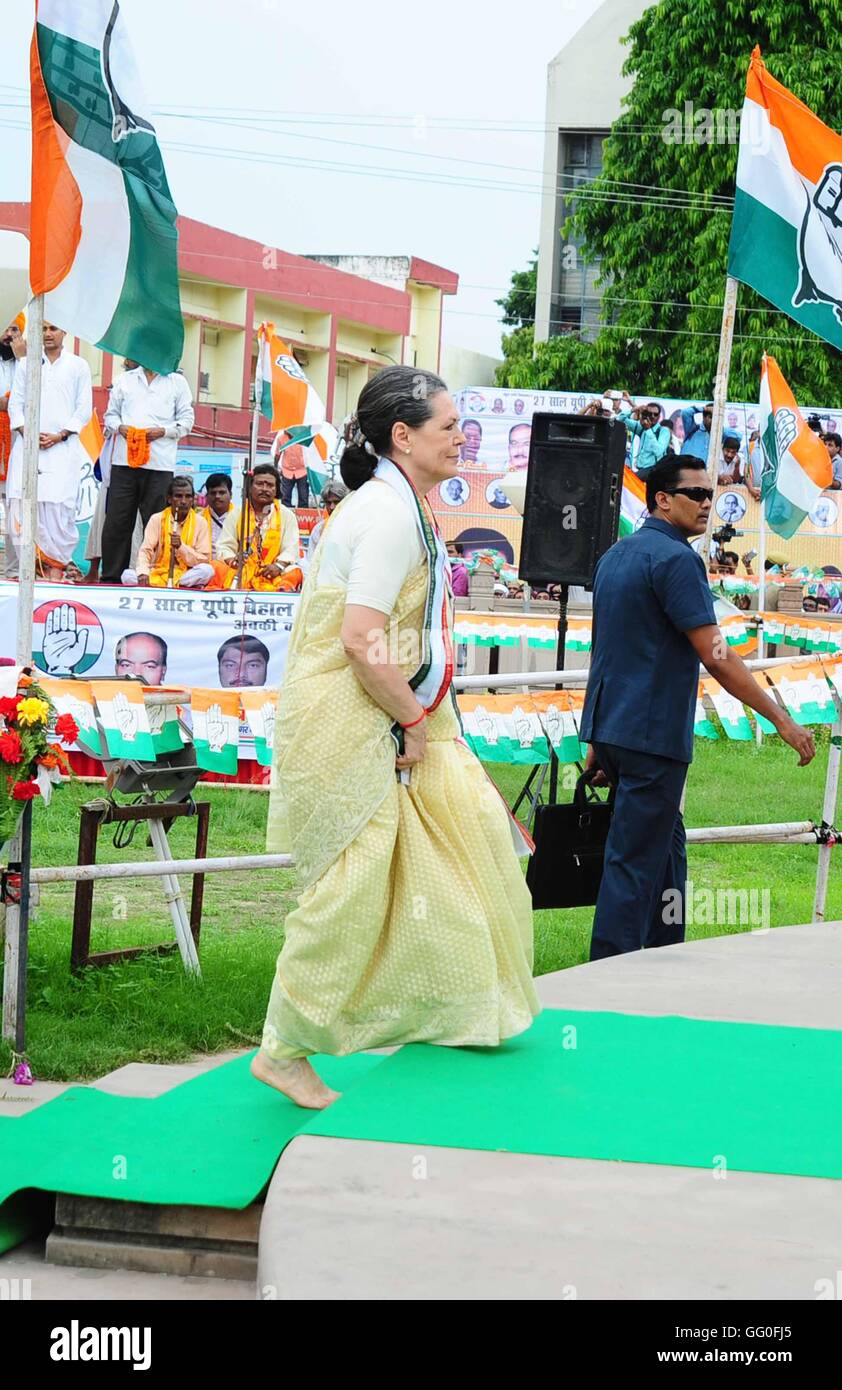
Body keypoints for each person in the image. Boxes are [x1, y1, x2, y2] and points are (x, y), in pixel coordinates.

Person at [250, 365, 539, 1109]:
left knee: (444, 858)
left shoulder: (398, 505)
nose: (461, 441)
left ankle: (455, 1008)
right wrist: (410, 719)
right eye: (448, 428)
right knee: (352, 885)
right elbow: (359, 638)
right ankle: (282, 1048)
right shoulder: (383, 516)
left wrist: (413, 717)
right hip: (354, 719)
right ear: (403, 437)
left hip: (389, 712)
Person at [581, 453, 815, 961]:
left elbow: (605, 652)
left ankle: (667, 958)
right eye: (697, 494)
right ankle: (605, 981)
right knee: (632, 864)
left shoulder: (614, 557)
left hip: (619, 733)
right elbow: (717, 656)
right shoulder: (677, 559)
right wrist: (782, 719)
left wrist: (598, 738)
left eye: (711, 494)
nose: (709, 503)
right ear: (663, 500)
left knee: (666, 849)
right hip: (651, 737)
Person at [6, 321, 93, 581]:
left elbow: (83, 409)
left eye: (53, 328)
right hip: (27, 450)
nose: (47, 334)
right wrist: (28, 433)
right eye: (43, 329)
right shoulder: (26, 364)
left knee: (58, 515)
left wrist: (60, 435)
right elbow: (15, 406)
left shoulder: (79, 366)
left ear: (65, 331)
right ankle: (29, 578)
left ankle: (54, 579)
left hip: (62, 452)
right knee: (22, 509)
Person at [101, 360, 195, 583]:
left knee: (156, 522)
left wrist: (163, 431)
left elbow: (187, 421)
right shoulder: (125, 379)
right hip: (124, 461)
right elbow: (110, 416)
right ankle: (112, 577)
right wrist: (121, 428)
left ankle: (155, 574)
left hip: (159, 464)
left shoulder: (177, 382)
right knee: (117, 520)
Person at [212, 463, 302, 591]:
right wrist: (233, 561)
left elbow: (291, 548)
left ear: (276, 490)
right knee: (216, 566)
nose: (264, 489)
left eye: (270, 485)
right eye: (259, 484)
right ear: (249, 488)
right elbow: (224, 545)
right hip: (241, 570)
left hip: (272, 572)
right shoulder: (237, 514)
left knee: (294, 572)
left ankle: (278, 599)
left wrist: (279, 566)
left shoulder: (287, 515)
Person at [123, 475, 212, 588]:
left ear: (192, 499)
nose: (183, 501)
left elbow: (204, 559)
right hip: (158, 571)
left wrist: (181, 547)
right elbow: (146, 550)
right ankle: (183, 586)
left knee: (207, 571)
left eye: (188, 496)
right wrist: (143, 572)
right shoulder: (157, 519)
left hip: (185, 573)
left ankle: (167, 585)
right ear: (169, 498)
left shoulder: (201, 522)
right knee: (127, 575)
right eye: (178, 496)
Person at [0, 316, 25, 578]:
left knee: (18, 512)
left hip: (19, 448)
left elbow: (38, 394)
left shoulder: (29, 364)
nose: (9, 335)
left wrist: (24, 360)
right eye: (5, 329)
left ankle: (15, 571)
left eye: (14, 329)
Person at [617, 394, 671, 475]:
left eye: (655, 414)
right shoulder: (641, 427)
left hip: (656, 470)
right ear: (646, 414)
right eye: (650, 413)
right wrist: (635, 409)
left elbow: (659, 451)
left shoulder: (663, 431)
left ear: (659, 416)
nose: (652, 416)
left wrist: (648, 430)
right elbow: (620, 419)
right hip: (640, 469)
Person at [307, 477, 348, 558]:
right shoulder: (319, 529)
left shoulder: (355, 527)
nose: (332, 507)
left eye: (336, 502)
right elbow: (310, 560)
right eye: (328, 503)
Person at [272, 430, 310, 509]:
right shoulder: (281, 438)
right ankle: (286, 514)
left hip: (302, 471)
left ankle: (303, 515)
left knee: (303, 496)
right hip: (287, 471)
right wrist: (275, 469)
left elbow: (310, 452)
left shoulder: (302, 437)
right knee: (285, 496)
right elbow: (277, 454)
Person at [200, 473, 235, 556]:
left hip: (232, 565)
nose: (217, 496)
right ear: (207, 496)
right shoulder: (198, 519)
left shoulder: (241, 518)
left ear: (231, 495)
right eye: (213, 493)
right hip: (205, 565)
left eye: (222, 492)